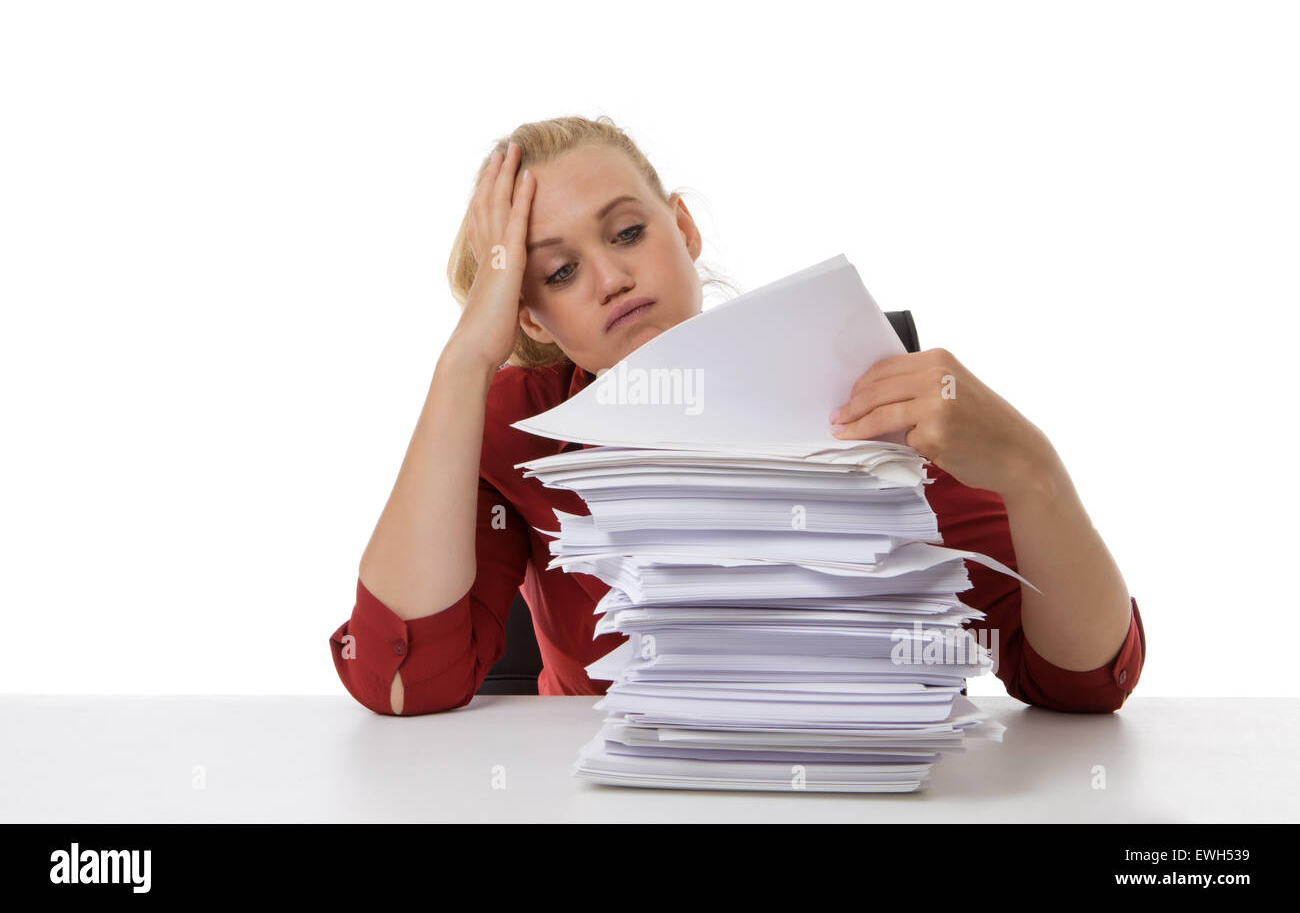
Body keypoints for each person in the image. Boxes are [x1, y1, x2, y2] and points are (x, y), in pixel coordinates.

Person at [329, 115, 1145, 717]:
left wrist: (1035, 474)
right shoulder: (514, 423)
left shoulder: (873, 383)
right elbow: (403, 684)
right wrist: (464, 361)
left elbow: (1078, 680)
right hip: (603, 791)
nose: (612, 277)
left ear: (681, 228)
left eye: (629, 231)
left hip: (852, 781)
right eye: (562, 270)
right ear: (529, 317)